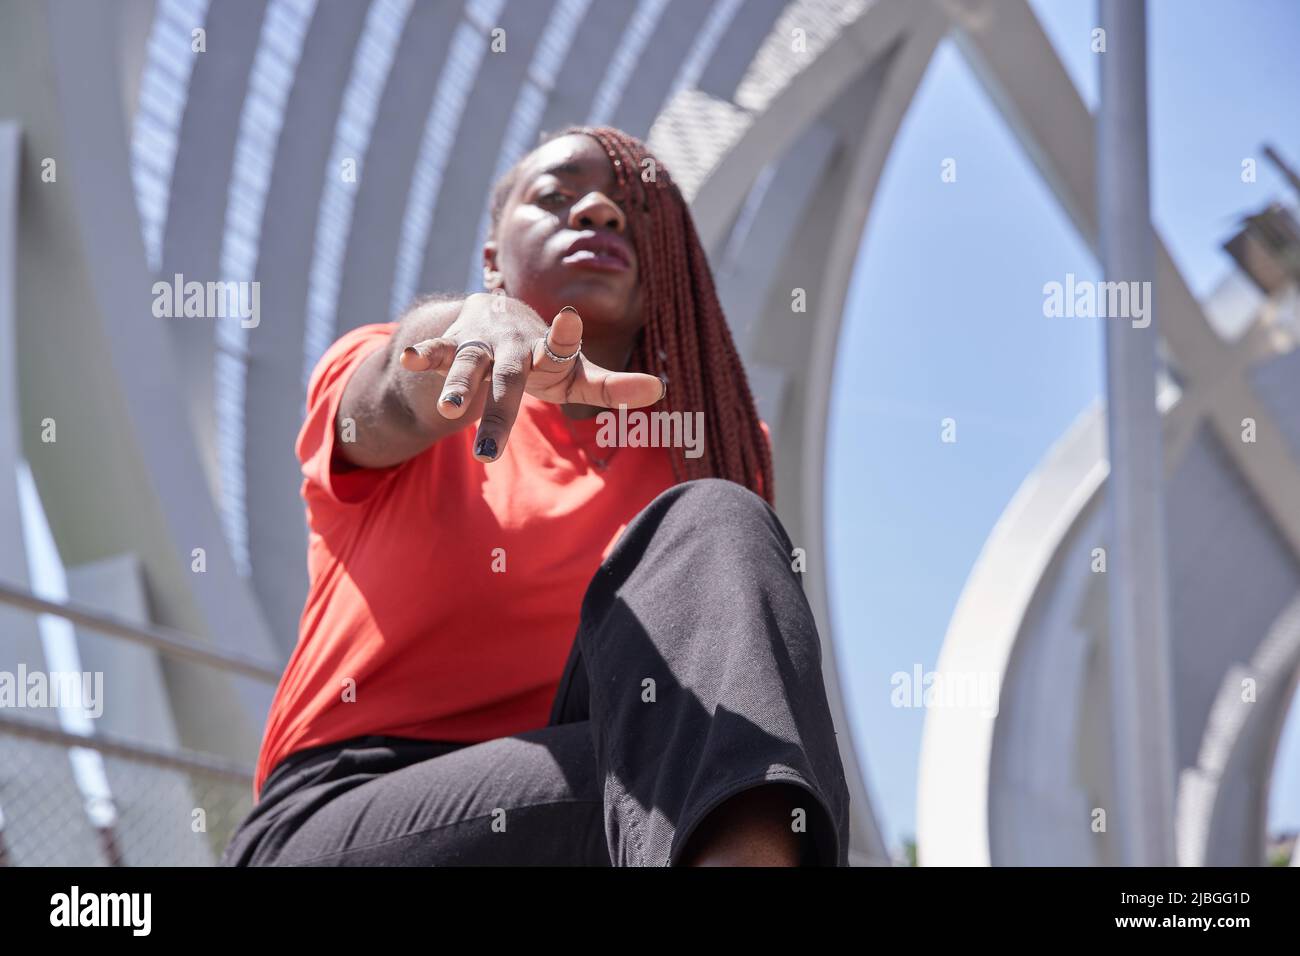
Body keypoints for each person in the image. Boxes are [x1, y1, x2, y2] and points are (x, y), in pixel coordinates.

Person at [219, 125, 851, 867]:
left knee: (719, 527)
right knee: (710, 769)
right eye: (555, 197)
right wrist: (463, 335)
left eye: (630, 209)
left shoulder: (708, 454)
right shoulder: (410, 377)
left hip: (603, 793)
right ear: (492, 261)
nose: (598, 214)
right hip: (345, 819)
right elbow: (388, 396)